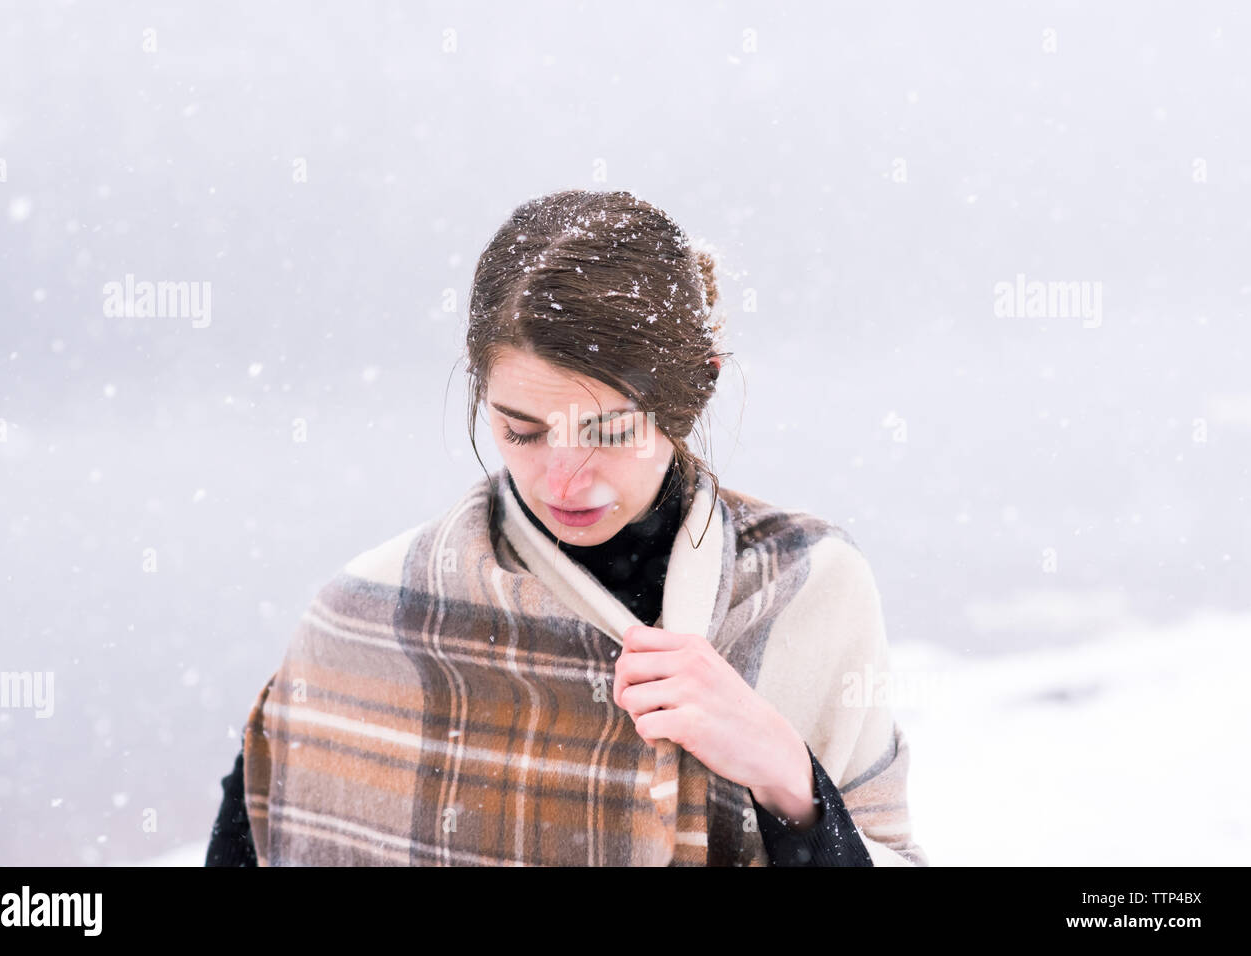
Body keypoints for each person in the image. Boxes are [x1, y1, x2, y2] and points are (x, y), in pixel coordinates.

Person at [206, 188, 927, 867]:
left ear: (694, 391)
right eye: (521, 431)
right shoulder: (370, 617)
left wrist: (787, 778)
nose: (564, 480)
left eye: (610, 433)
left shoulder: (809, 587)